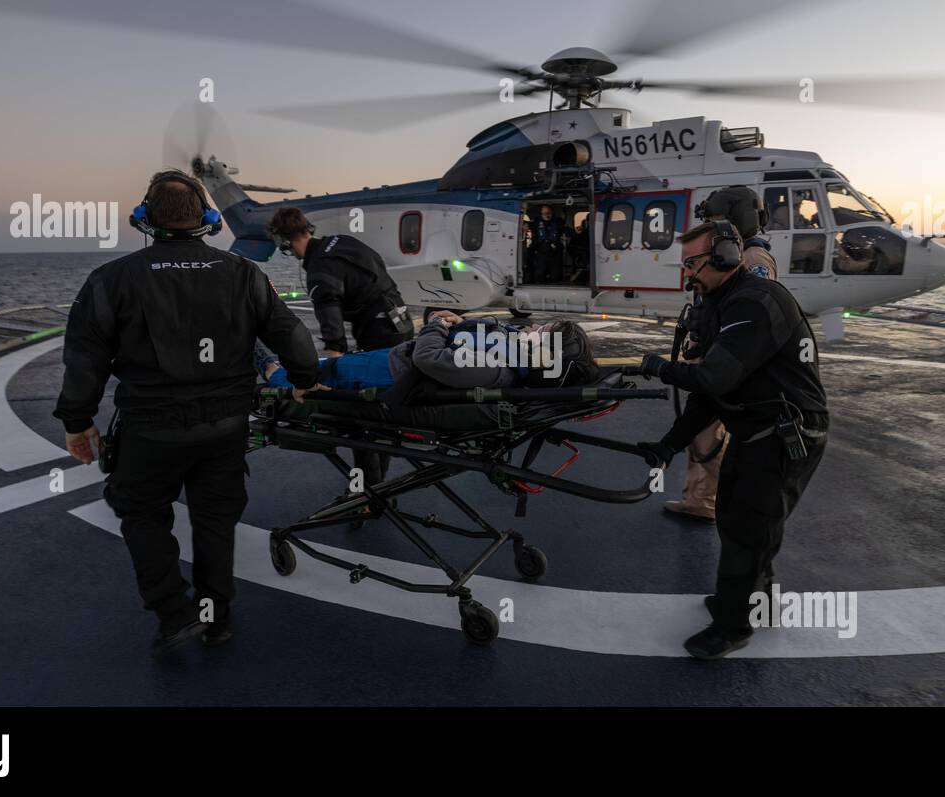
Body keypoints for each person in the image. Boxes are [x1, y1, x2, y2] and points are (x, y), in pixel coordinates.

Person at [54, 170, 321, 654]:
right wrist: (304, 380)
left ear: (144, 219)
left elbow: (83, 359)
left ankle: (173, 613)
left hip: (149, 430)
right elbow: (292, 334)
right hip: (223, 427)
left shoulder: (111, 279)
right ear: (210, 220)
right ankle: (216, 617)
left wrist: (77, 421)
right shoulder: (243, 274)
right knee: (214, 522)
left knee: (140, 513)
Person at [637, 221, 828, 660]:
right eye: (684, 264)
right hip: (756, 428)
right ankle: (753, 604)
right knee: (737, 520)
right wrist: (669, 444)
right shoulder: (723, 301)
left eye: (694, 263)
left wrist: (659, 368)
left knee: (750, 529)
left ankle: (732, 627)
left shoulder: (756, 302)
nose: (689, 274)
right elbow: (712, 394)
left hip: (786, 434)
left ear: (724, 255)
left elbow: (713, 376)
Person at [266, 207, 415, 488]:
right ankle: (375, 483)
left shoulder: (320, 270)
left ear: (284, 243)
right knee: (386, 406)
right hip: (402, 324)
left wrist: (331, 369)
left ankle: (367, 492)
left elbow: (331, 323)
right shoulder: (343, 242)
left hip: (379, 333)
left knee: (364, 413)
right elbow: (377, 268)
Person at [665, 188, 777, 522]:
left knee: (708, 437)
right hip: (717, 358)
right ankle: (699, 499)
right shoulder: (738, 255)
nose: (714, 230)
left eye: (717, 222)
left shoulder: (753, 261)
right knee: (703, 435)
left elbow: (750, 316)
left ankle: (720, 501)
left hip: (727, 364)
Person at [254, 312, 598, 395]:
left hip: (391, 370)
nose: (533, 328)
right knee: (324, 365)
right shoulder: (509, 356)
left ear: (542, 352)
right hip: (397, 359)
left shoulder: (497, 369)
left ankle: (266, 367)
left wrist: (435, 324)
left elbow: (428, 359)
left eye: (542, 333)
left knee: (319, 369)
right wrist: (460, 322)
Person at [527, 206, 567, 284]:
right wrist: (525, 225)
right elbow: (526, 224)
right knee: (539, 274)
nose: (547, 215)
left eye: (549, 213)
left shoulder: (558, 223)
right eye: (545, 213)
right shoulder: (536, 223)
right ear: (541, 214)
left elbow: (567, 230)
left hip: (555, 254)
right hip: (541, 254)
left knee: (556, 275)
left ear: (552, 213)